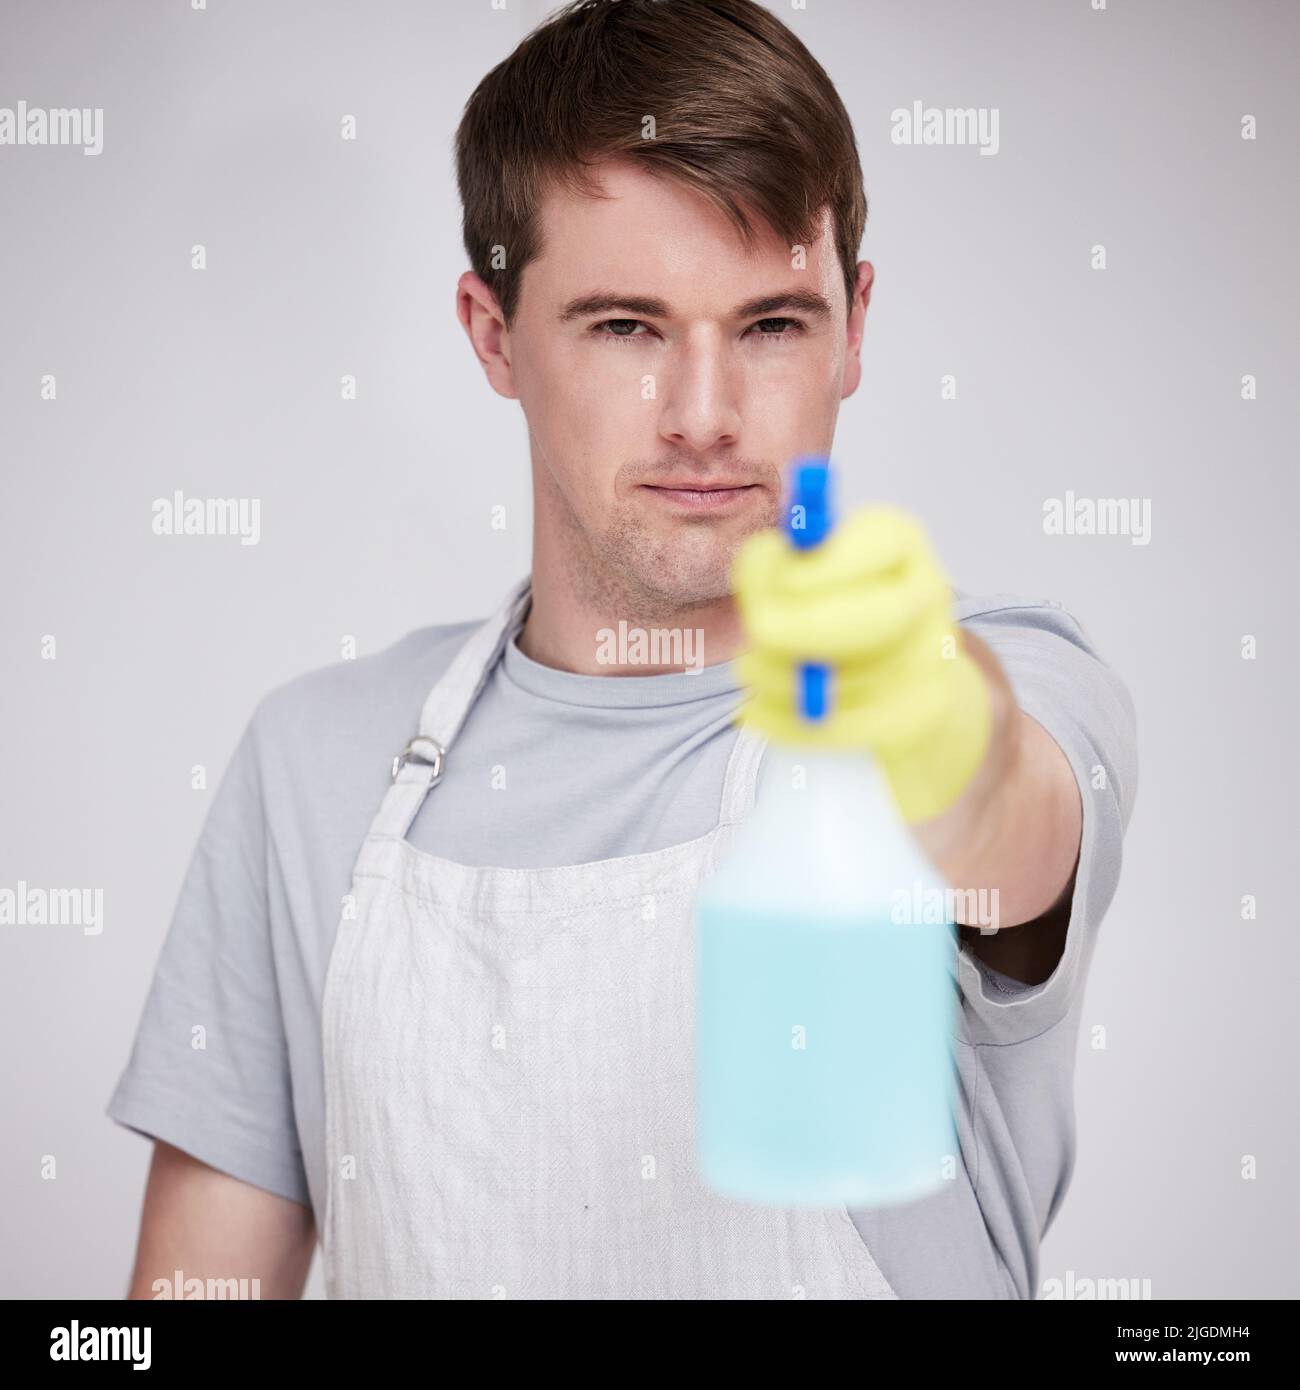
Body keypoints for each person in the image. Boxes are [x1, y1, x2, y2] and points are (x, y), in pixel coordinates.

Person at [109, 0, 1137, 1300]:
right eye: (625, 327)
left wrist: (942, 734)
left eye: (771, 325)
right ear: (494, 333)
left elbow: (1009, 818)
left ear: (856, 325)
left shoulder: (1003, 679)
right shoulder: (312, 767)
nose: (704, 416)